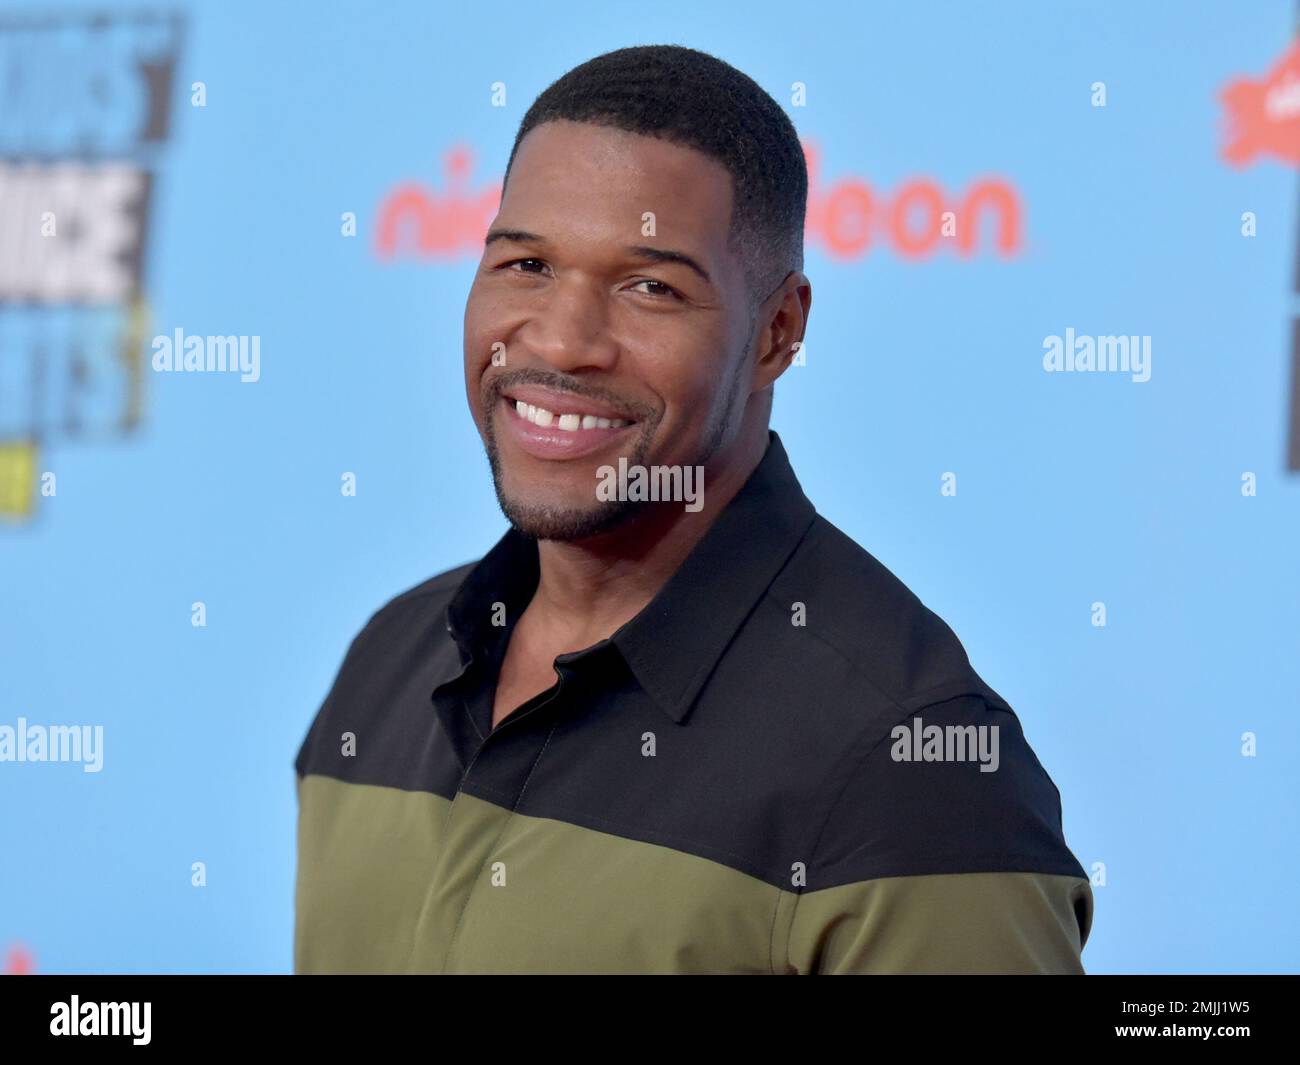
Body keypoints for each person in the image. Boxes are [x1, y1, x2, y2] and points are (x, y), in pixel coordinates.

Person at [293, 43, 1093, 974]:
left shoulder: (915, 769)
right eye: (525, 264)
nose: (561, 340)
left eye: (650, 287)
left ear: (778, 332)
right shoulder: (385, 665)